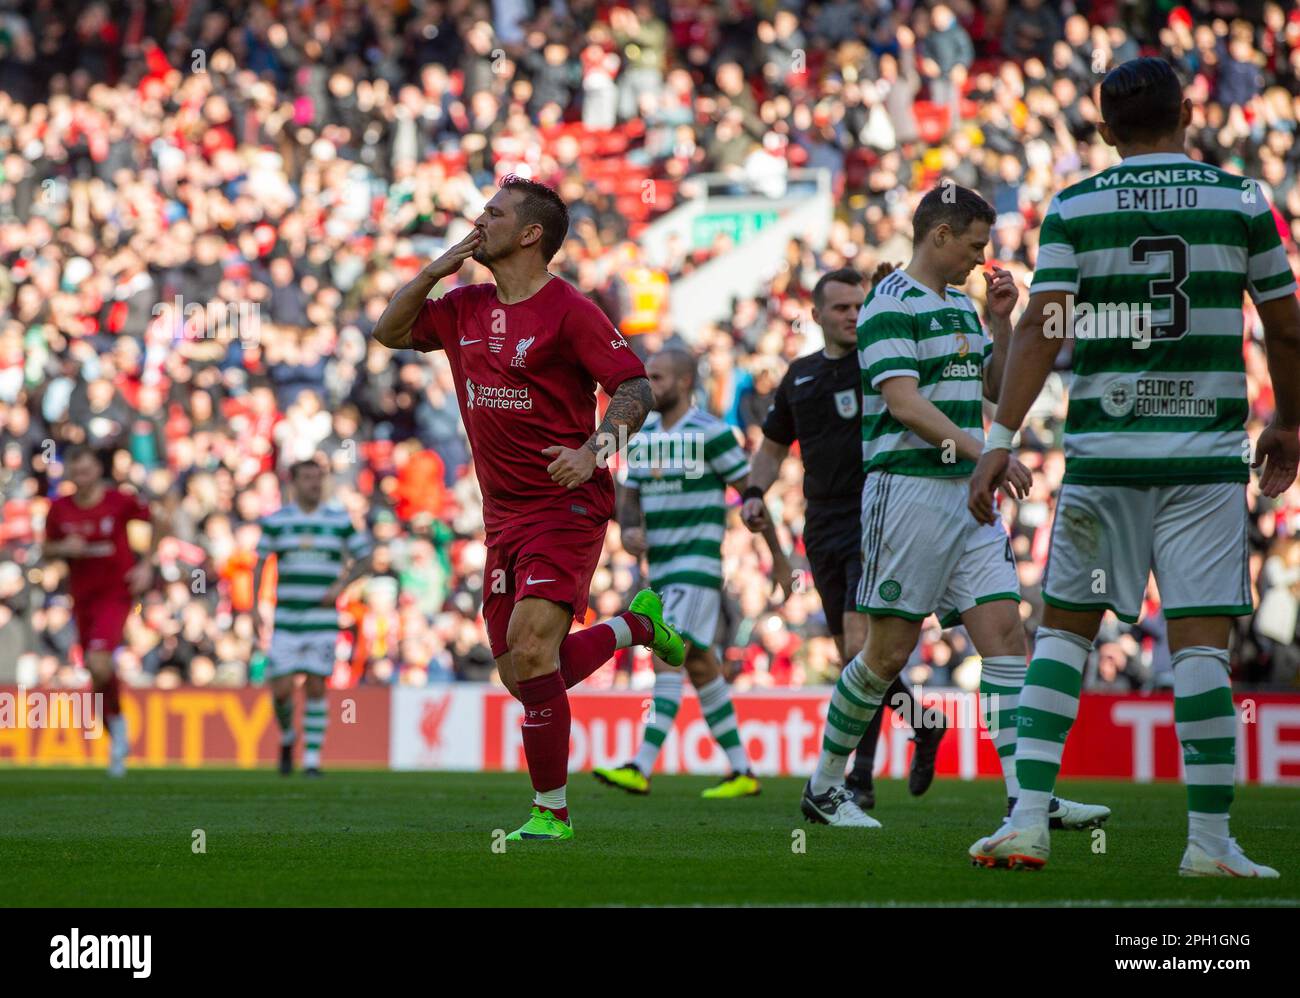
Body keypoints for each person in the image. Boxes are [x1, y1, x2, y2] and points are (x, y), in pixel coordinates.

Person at [968, 58, 1300, 877]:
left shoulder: (1076, 205)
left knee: (1062, 637)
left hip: (1105, 456)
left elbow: (1044, 326)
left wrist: (1000, 434)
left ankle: (1028, 822)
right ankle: (1210, 845)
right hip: (1205, 462)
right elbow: (1287, 326)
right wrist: (1291, 424)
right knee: (1200, 648)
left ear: (1107, 130)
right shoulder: (1242, 199)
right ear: (1188, 112)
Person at [372, 175, 685, 842]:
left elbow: (633, 385)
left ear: (530, 234)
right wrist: (436, 267)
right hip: (501, 518)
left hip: (565, 503)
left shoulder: (570, 310)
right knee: (522, 676)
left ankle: (552, 814)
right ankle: (636, 627)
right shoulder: (464, 305)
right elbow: (387, 330)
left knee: (535, 651)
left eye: (495, 213)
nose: (480, 221)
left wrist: (595, 449)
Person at [799, 183, 1110, 830]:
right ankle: (826, 786)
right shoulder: (889, 302)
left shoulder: (963, 306)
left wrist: (999, 321)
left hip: (967, 495)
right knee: (887, 652)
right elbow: (905, 403)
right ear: (938, 235)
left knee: (1004, 636)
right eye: (974, 243)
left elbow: (993, 386)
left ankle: (1029, 797)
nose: (982, 255)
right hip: (907, 489)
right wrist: (984, 454)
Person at [742, 266, 946, 811]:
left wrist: (891, 297)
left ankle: (859, 776)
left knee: (860, 649)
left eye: (860, 306)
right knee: (854, 657)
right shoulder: (800, 376)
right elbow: (772, 445)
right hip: (822, 523)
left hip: (877, 514)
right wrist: (755, 491)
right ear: (816, 315)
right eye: (841, 308)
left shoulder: (882, 365)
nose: (854, 316)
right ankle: (923, 724)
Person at [593, 348, 790, 799]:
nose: (650, 386)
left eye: (658, 378)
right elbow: (629, 501)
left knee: (664, 650)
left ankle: (640, 765)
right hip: (659, 572)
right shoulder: (639, 440)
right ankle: (742, 771)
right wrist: (630, 532)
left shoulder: (713, 434)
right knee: (700, 665)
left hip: (696, 569)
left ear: (684, 383)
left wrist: (779, 559)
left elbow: (753, 498)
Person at [253, 457, 373, 776]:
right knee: (280, 688)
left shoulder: (338, 519)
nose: (314, 483)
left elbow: (366, 557)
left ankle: (311, 759)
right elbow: (260, 561)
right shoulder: (277, 521)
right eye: (307, 477)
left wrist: (341, 586)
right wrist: (254, 607)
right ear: (293, 482)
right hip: (286, 618)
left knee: (316, 684)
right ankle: (288, 736)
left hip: (322, 618)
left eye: (318, 477)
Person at [42, 445, 156, 776]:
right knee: (96, 673)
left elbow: (160, 518)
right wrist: (64, 547)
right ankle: (117, 726)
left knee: (98, 661)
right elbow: (46, 547)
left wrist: (146, 564)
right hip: (82, 597)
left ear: (98, 471)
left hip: (116, 593)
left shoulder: (119, 501)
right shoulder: (59, 508)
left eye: (87, 470)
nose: (82, 477)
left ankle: (117, 729)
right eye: (76, 472)